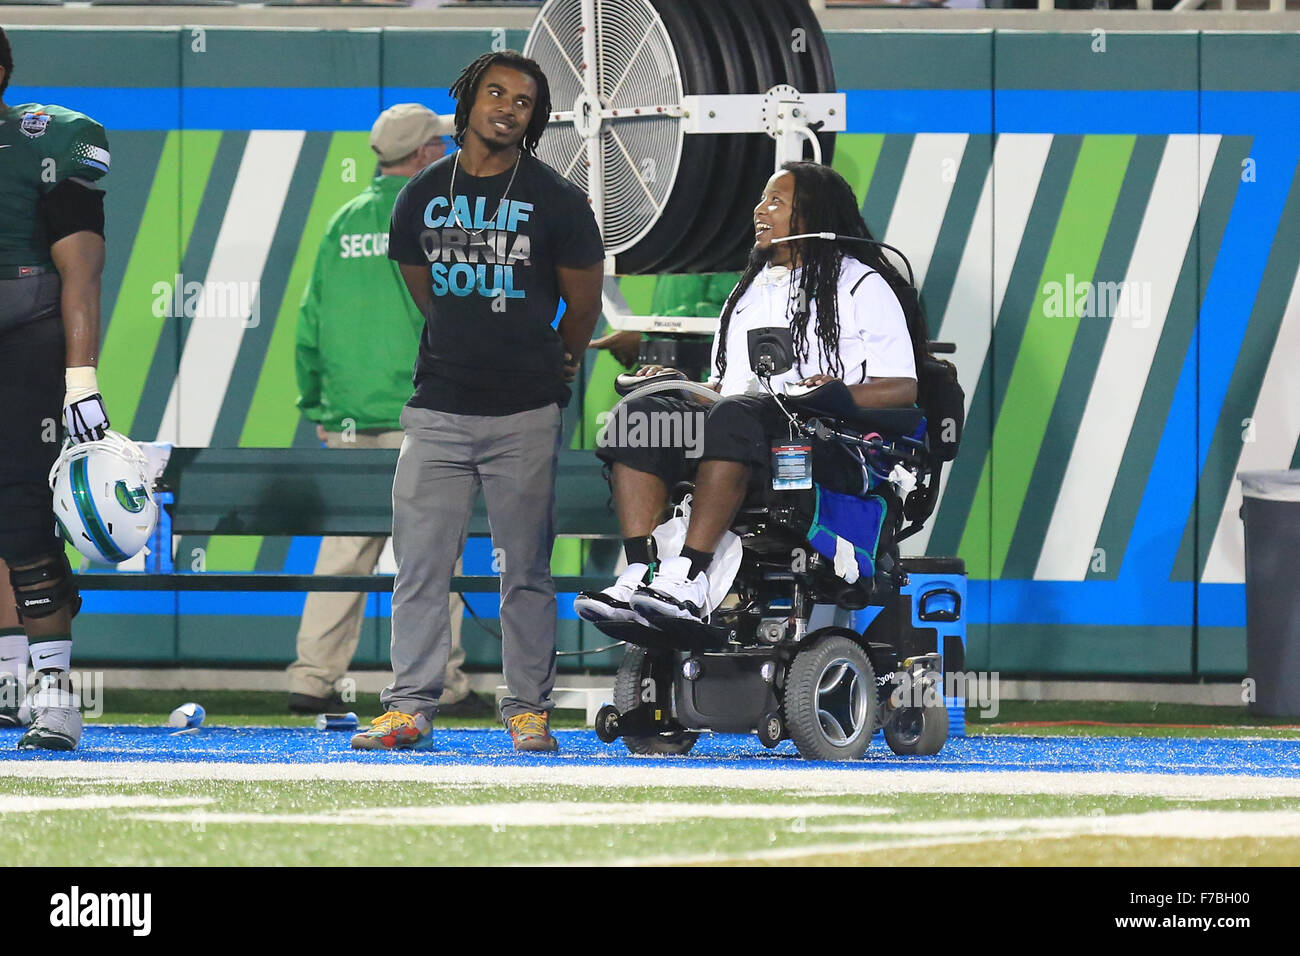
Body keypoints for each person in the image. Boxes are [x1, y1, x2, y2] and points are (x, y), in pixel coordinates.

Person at [350, 51, 604, 752]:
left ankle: (527, 709)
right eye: (496, 93)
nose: (508, 108)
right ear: (467, 102)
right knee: (421, 567)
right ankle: (409, 708)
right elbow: (421, 283)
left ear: (535, 118)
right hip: (437, 409)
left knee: (525, 571)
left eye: (523, 101)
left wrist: (556, 363)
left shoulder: (559, 200)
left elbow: (581, 307)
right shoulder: (422, 192)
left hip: (524, 413)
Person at [576, 161, 921, 626]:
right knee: (642, 416)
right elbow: (725, 389)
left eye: (775, 201)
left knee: (738, 417)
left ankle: (691, 575)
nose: (760, 210)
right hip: (744, 431)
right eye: (761, 200)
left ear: (811, 216)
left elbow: (904, 387)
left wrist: (837, 393)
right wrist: (675, 386)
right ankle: (642, 571)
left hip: (829, 442)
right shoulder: (749, 291)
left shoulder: (861, 283)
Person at [288, 104, 493, 719]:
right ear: (426, 154)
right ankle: (444, 684)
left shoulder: (343, 220)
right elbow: (454, 317)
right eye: (443, 142)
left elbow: (309, 326)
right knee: (433, 552)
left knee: (344, 551)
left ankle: (310, 677)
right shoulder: (439, 216)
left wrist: (321, 404)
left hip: (353, 419)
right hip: (425, 416)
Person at [0, 27, 112, 749]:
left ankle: (56, 695)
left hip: (25, 337)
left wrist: (80, 378)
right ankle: (10, 680)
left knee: (22, 519)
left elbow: (81, 271)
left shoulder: (50, 136)